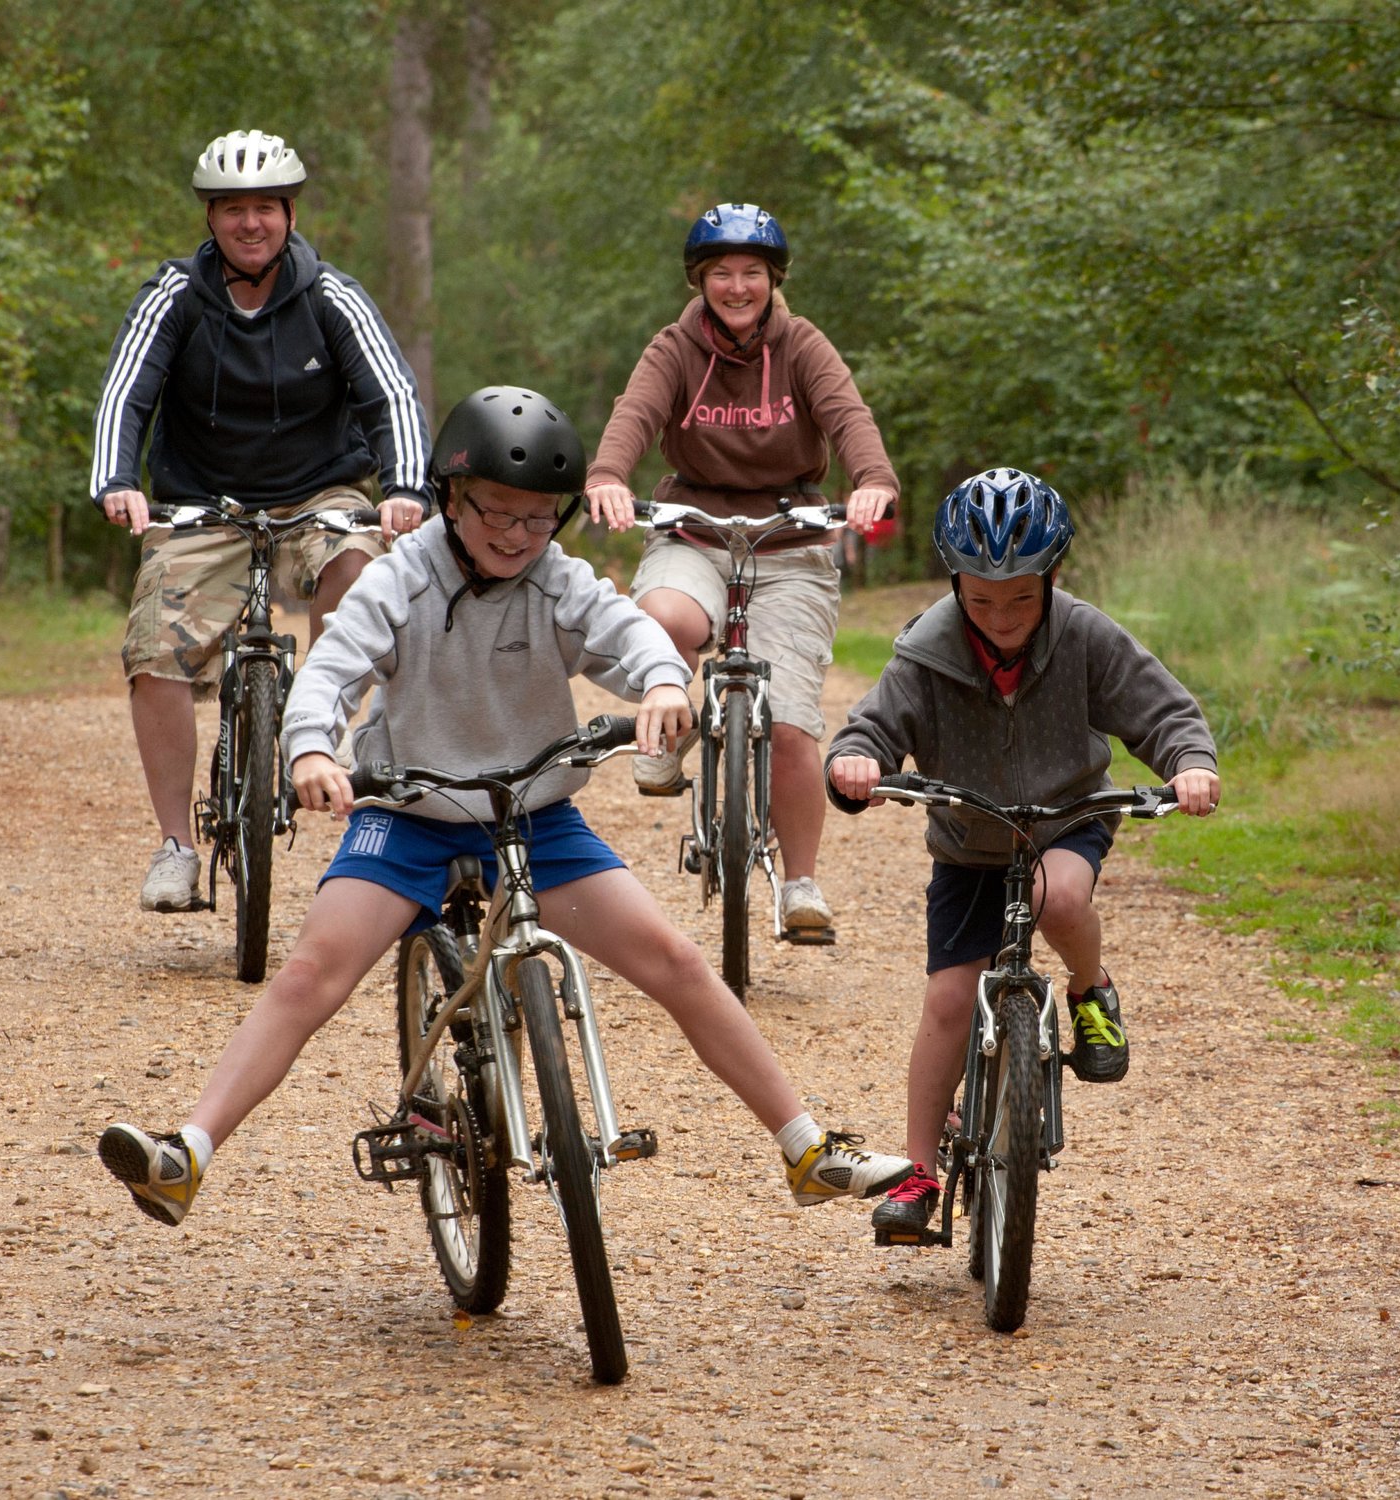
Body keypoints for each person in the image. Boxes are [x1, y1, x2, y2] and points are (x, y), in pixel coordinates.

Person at [99, 387, 911, 1228]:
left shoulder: (555, 579)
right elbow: (335, 665)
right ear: (452, 498)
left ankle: (806, 1146)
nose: (518, 535)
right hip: (408, 809)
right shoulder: (402, 577)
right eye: (498, 513)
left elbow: (628, 632)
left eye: (538, 518)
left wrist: (667, 680)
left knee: (676, 960)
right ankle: (185, 1154)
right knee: (310, 974)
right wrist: (309, 747)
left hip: (533, 817)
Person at [822, 468, 1223, 1239]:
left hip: (1066, 819)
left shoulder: (1085, 636)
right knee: (947, 1002)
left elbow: (1163, 711)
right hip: (971, 840)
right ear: (953, 586)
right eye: (979, 599)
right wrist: (857, 763)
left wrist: (1189, 763)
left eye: (1020, 598)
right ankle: (918, 1174)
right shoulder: (926, 648)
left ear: (1051, 579)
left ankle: (1087, 989)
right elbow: (871, 726)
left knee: (1060, 898)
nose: (1001, 616)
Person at [89, 129, 433, 914]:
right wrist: (117, 481)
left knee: (358, 558)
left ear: (290, 213)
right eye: (233, 210)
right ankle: (175, 845)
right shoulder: (174, 297)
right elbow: (126, 395)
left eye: (266, 209)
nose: (251, 224)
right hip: (203, 503)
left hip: (319, 494)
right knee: (153, 649)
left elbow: (392, 395)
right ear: (210, 218)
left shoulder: (330, 297)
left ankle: (313, 727)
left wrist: (405, 485)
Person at [582, 203, 896, 942]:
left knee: (788, 721)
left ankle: (800, 887)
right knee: (668, 620)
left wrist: (873, 480)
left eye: (751, 272)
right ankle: (671, 729)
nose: (736, 286)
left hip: (791, 539)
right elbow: (634, 413)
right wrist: (608, 475)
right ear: (700, 281)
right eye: (720, 273)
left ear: (772, 280)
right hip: (695, 529)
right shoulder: (675, 347)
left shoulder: (802, 345)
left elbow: (849, 416)